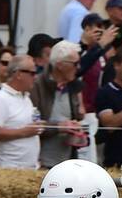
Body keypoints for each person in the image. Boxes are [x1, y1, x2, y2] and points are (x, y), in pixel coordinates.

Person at [30, 39, 85, 167]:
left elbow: (78, 116)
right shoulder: (37, 85)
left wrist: (75, 125)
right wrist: (59, 126)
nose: (78, 67)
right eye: (75, 64)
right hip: (42, 161)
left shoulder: (73, 86)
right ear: (60, 65)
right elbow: (31, 125)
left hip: (67, 161)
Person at [0, 53, 44, 169]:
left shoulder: (26, 97)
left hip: (30, 168)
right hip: (9, 168)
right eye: (32, 73)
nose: (35, 77)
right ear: (18, 74)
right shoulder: (2, 98)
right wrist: (24, 132)